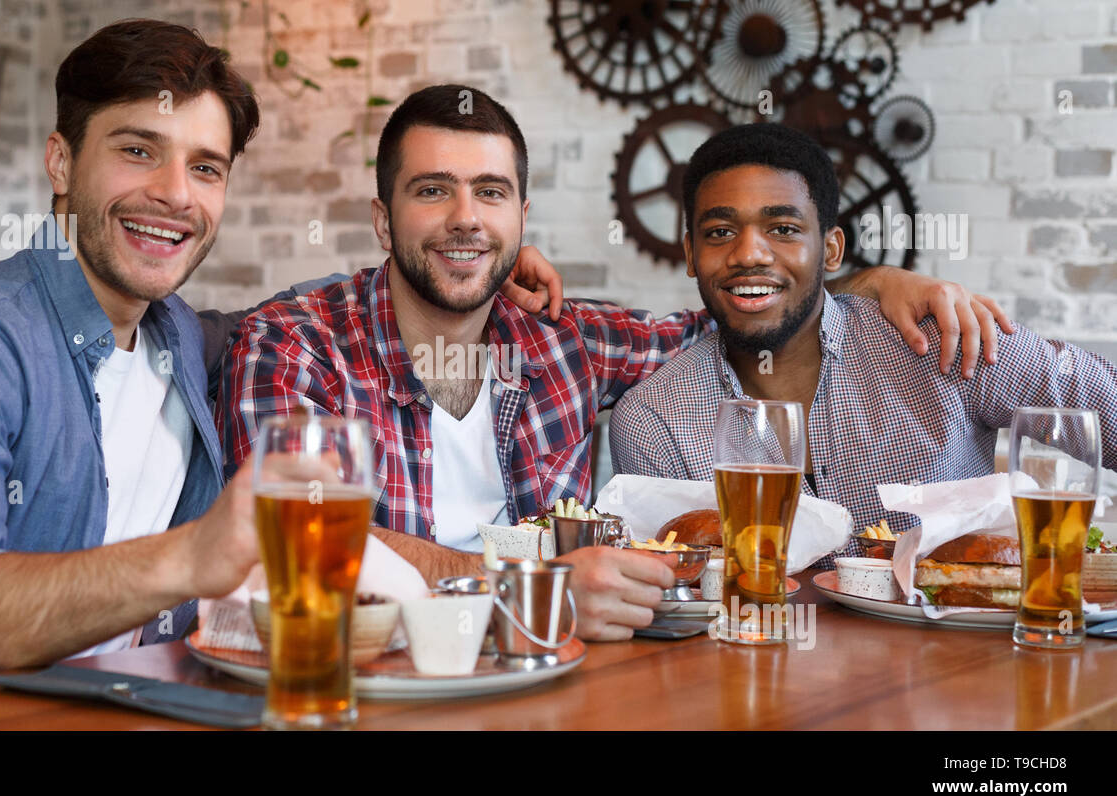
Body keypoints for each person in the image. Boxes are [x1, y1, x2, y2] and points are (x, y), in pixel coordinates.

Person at [219, 85, 1008, 640]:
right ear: (383, 221)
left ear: (521, 218)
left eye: (490, 193)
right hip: (372, 678)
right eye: (434, 190)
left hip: (550, 680)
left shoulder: (565, 341)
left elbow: (744, 302)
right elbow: (281, 535)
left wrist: (872, 281)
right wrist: (538, 592)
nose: (465, 218)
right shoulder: (296, 341)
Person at [0, 20, 275, 699]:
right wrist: (188, 557)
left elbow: (298, 315)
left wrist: (479, 279)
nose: (177, 193)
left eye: (205, 167)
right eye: (139, 150)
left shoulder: (177, 335)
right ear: (60, 162)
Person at [609, 122, 1117, 558]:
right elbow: (683, 597)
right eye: (719, 233)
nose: (750, 254)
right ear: (691, 254)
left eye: (783, 228)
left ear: (831, 250)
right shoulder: (656, 420)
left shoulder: (939, 336)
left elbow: (1106, 410)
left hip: (964, 665)